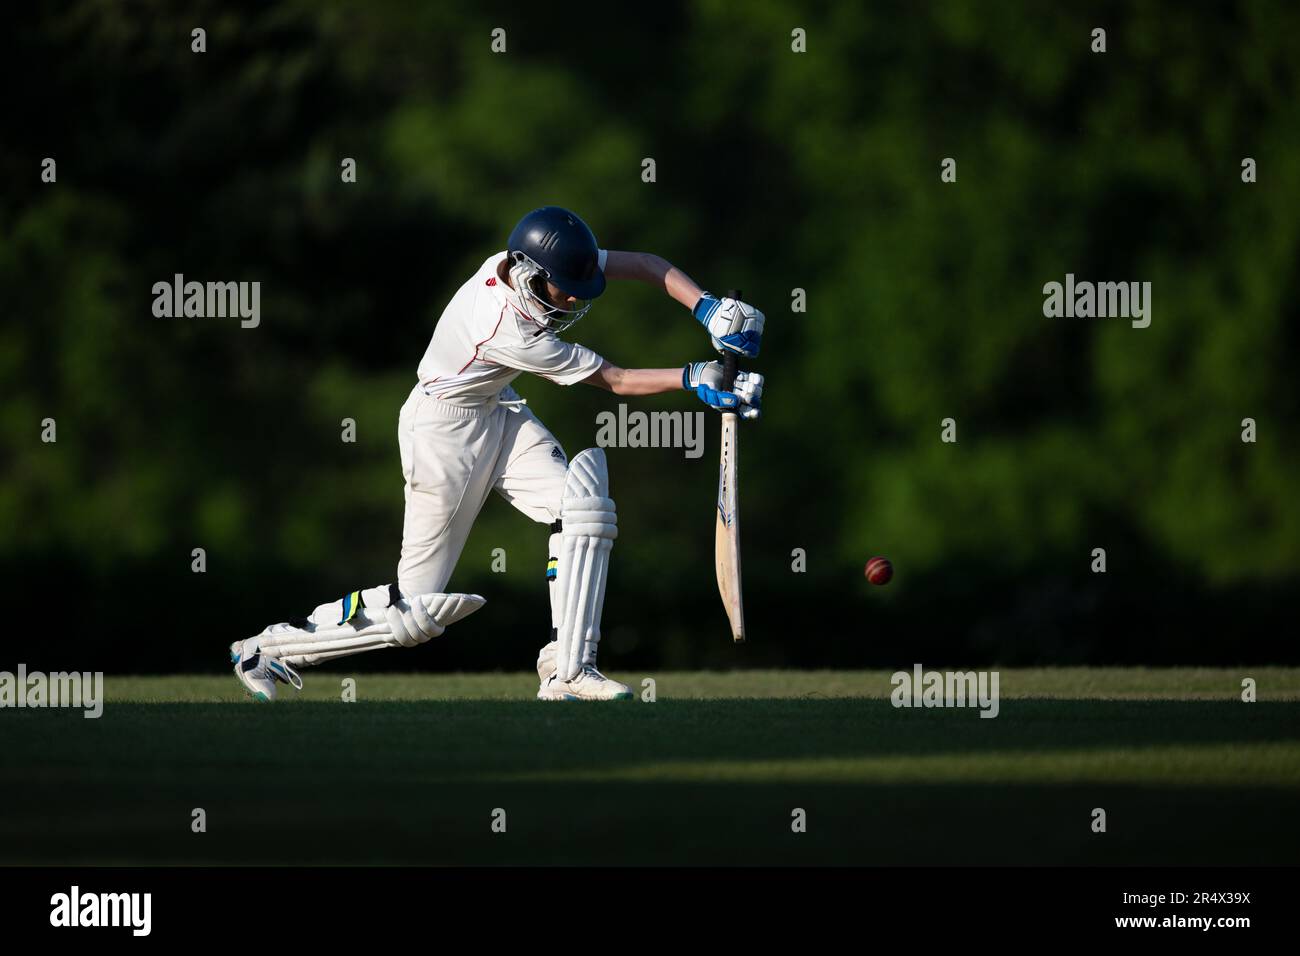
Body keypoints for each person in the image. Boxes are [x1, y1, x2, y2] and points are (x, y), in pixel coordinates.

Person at [230, 206, 765, 701]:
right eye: (567, 290)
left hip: (495, 408)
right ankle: (265, 649)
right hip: (442, 435)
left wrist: (708, 307)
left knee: (581, 506)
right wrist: (695, 376)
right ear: (531, 276)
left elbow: (647, 265)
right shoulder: (505, 328)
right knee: (414, 615)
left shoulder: (526, 261)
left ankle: (568, 670)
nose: (576, 299)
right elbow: (617, 380)